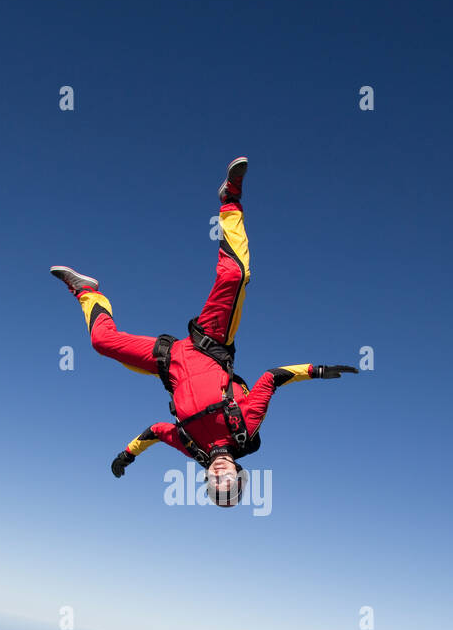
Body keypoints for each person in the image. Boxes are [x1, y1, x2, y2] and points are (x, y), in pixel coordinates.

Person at [51, 157, 357, 506]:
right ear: (240, 475)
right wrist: (316, 371)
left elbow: (157, 431)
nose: (220, 474)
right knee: (235, 276)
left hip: (167, 361)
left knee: (100, 341)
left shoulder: (192, 448)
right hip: (210, 344)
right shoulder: (245, 428)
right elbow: (272, 378)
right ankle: (230, 199)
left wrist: (127, 455)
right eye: (228, 480)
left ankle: (87, 291)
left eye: (215, 482)